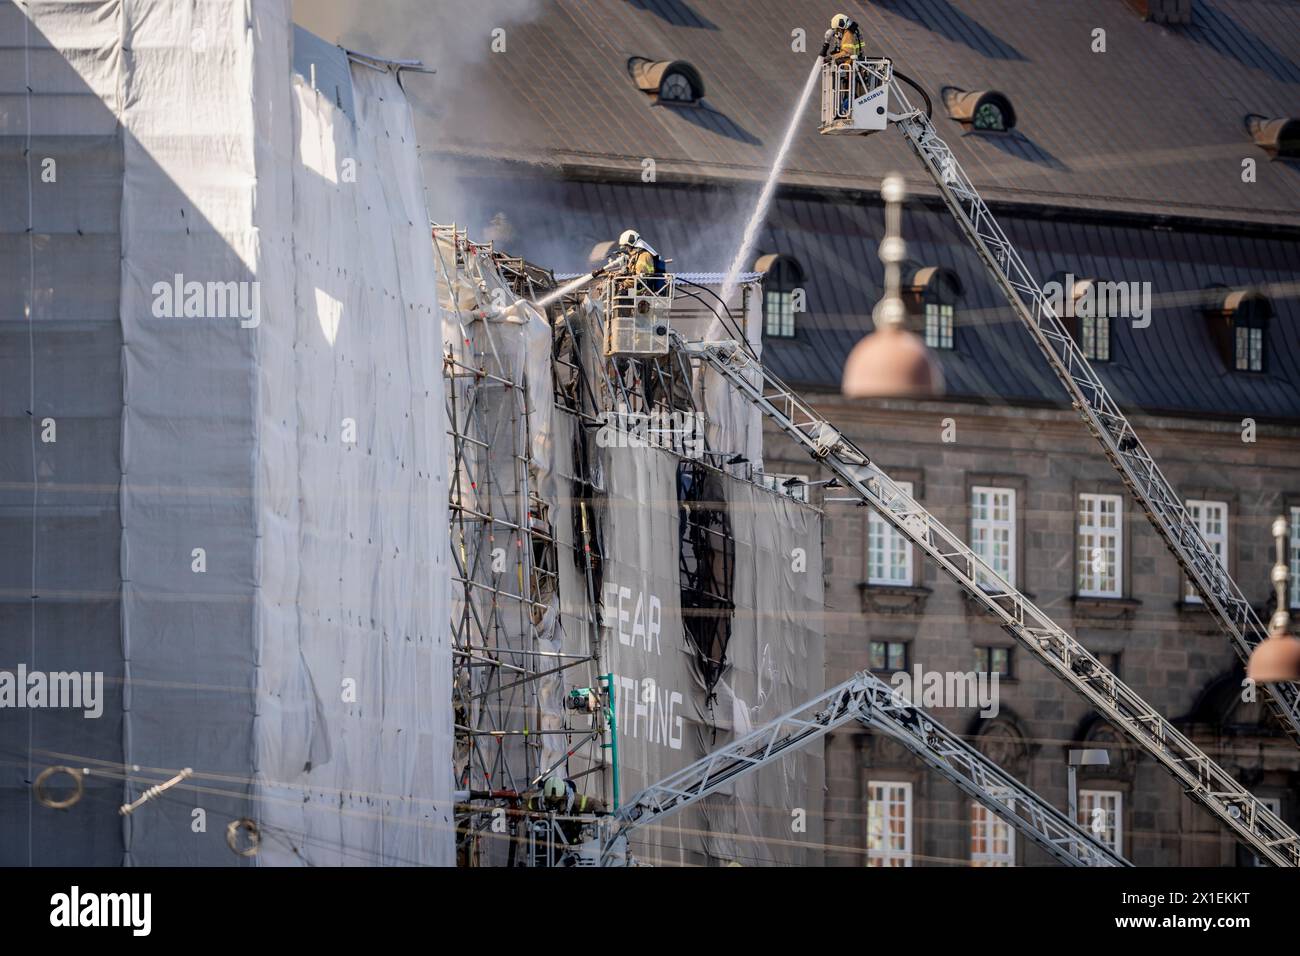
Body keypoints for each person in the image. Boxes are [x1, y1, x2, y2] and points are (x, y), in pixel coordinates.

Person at [524, 774, 608, 847]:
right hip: (547, 838)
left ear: (563, 795)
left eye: (557, 800)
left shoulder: (573, 798)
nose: (553, 802)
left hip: (568, 836)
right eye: (550, 800)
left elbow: (591, 802)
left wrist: (599, 809)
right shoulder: (539, 798)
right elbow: (525, 804)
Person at [821, 14, 864, 118]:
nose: (837, 33)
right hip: (855, 67)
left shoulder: (848, 34)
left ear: (841, 25)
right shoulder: (854, 32)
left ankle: (844, 111)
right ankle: (845, 110)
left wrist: (832, 57)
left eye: (837, 30)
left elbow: (847, 52)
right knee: (850, 92)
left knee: (849, 92)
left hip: (850, 67)